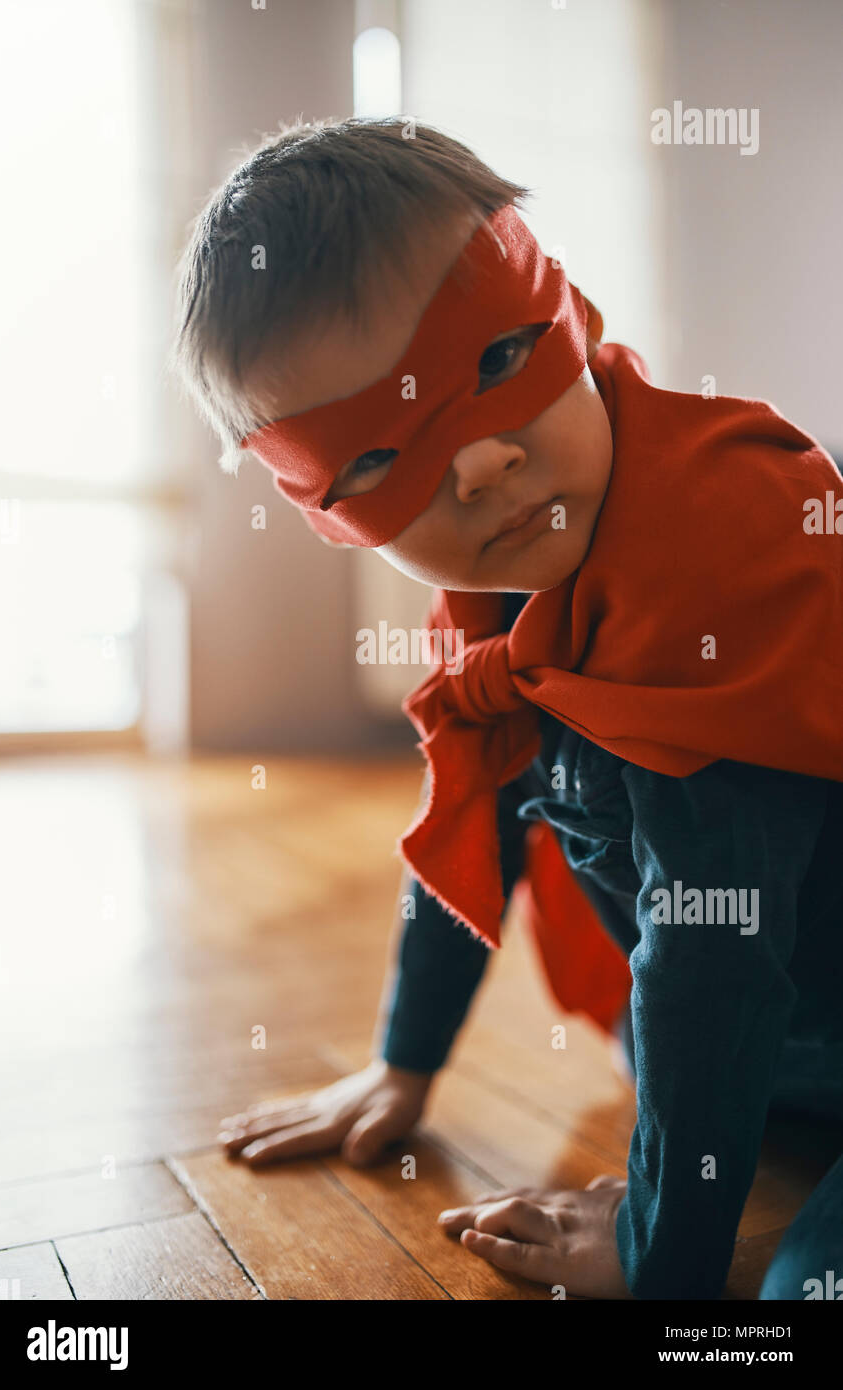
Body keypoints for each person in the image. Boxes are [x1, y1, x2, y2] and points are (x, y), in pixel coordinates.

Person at [170, 116, 843, 1300]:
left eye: (495, 362)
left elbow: (713, 947)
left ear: (570, 313)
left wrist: (658, 1254)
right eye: (375, 460)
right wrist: (403, 1062)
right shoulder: (496, 592)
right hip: (787, 1057)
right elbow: (481, 796)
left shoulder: (726, 547)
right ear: (327, 512)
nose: (478, 464)